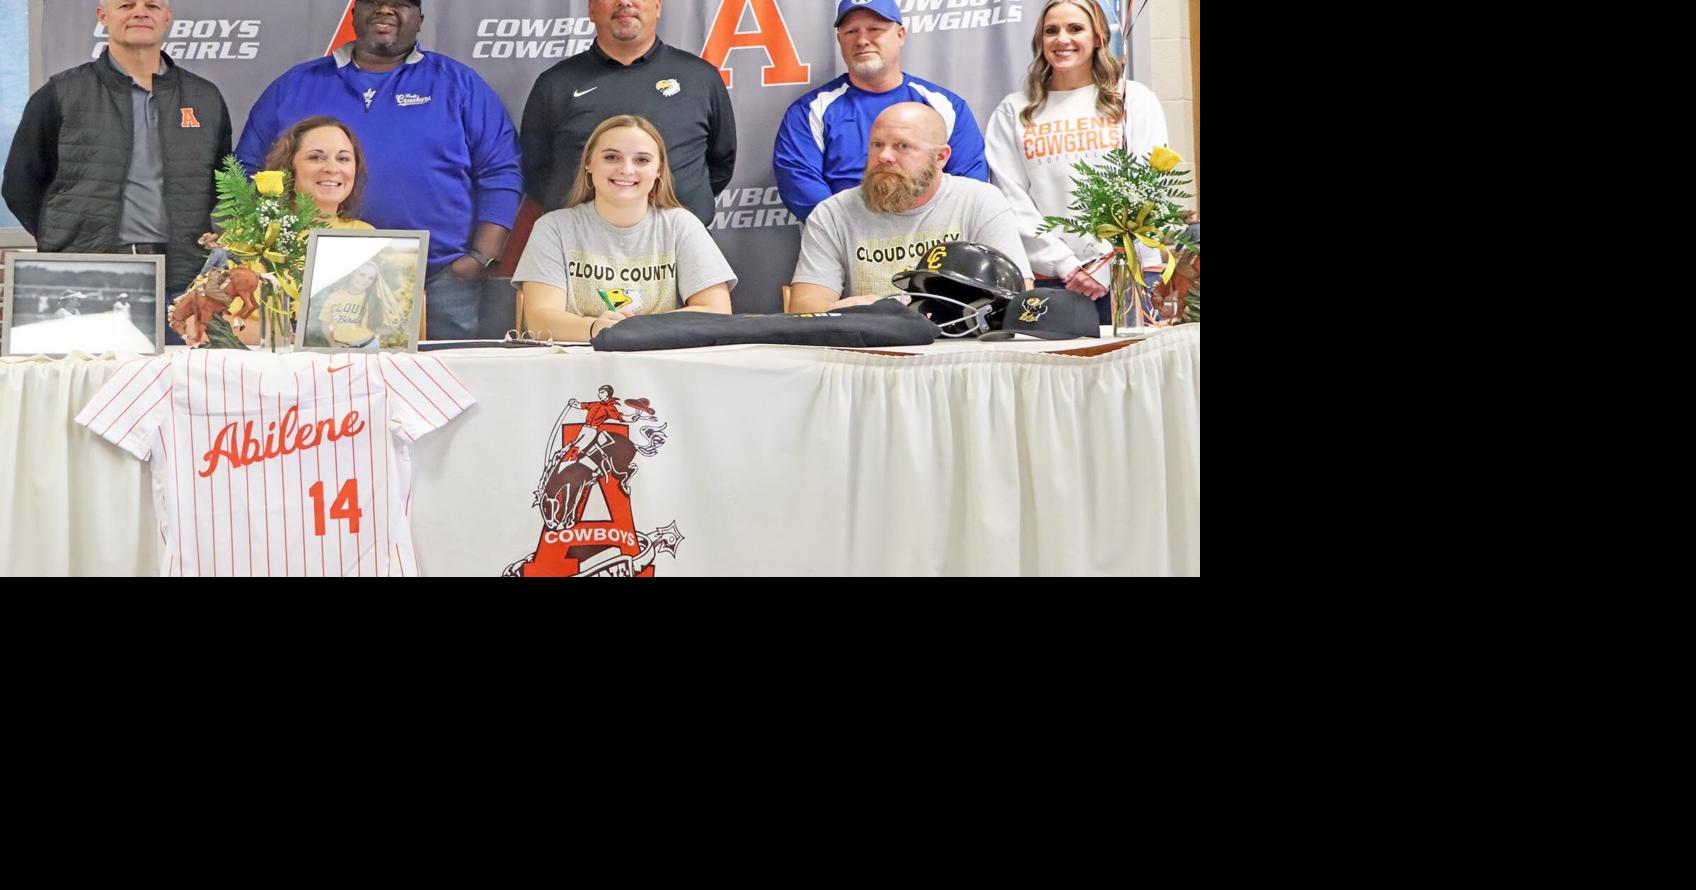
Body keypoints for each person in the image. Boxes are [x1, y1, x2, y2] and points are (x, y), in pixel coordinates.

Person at [236, 0, 522, 340]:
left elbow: (501, 171)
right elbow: (246, 175)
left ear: (420, 20)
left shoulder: (459, 84)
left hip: (440, 278)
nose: (385, 9)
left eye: (400, 3)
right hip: (311, 275)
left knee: (442, 386)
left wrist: (479, 258)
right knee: (322, 385)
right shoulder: (296, 85)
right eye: (374, 1)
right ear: (354, 13)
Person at [2, 0, 231, 314]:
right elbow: (21, 184)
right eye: (126, 5)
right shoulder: (61, 93)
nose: (140, 12)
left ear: (167, 17)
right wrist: (66, 235)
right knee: (89, 365)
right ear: (102, 16)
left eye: (151, 5)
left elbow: (221, 185)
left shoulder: (205, 97)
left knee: (180, 365)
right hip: (87, 280)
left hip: (183, 281)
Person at [984, 0, 1168, 325]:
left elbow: (1148, 188)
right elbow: (1010, 200)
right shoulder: (1014, 111)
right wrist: (1066, 265)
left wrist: (1107, 268)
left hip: (1130, 275)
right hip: (1053, 280)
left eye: (1075, 29)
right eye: (1051, 31)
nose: (1062, 39)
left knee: (1135, 372)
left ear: (1098, 37)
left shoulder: (1133, 100)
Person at [788, 103, 1031, 314]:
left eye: (902, 146)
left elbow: (1018, 296)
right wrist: (854, 314)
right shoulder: (833, 213)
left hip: (960, 351)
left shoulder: (980, 201)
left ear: (940, 157)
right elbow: (805, 309)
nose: (884, 156)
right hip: (871, 353)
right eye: (876, 144)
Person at [511, 115, 734, 343]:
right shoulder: (553, 228)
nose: (626, 170)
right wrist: (596, 329)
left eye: (642, 160)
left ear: (659, 169)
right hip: (576, 368)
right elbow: (540, 319)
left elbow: (716, 310)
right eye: (611, 157)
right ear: (588, 162)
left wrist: (636, 329)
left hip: (662, 366)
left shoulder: (681, 225)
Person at [520, 0, 735, 227]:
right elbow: (535, 170)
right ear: (591, 9)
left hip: (679, 246)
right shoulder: (555, 83)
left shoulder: (701, 78)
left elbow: (721, 163)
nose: (624, 2)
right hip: (581, 247)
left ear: (658, 7)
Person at [773, 0, 989, 223]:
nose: (862, 40)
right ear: (839, 40)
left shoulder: (945, 106)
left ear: (901, 35)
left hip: (934, 243)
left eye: (875, 29)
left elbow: (971, 185)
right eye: (851, 32)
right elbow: (800, 186)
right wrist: (859, 233)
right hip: (846, 244)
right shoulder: (810, 111)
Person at [307, 261, 403, 350]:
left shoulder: (374, 300)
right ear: (352, 273)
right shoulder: (334, 297)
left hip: (368, 347)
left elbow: (378, 328)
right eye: (362, 274)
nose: (365, 280)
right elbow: (325, 324)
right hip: (342, 349)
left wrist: (399, 327)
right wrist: (332, 343)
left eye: (370, 278)